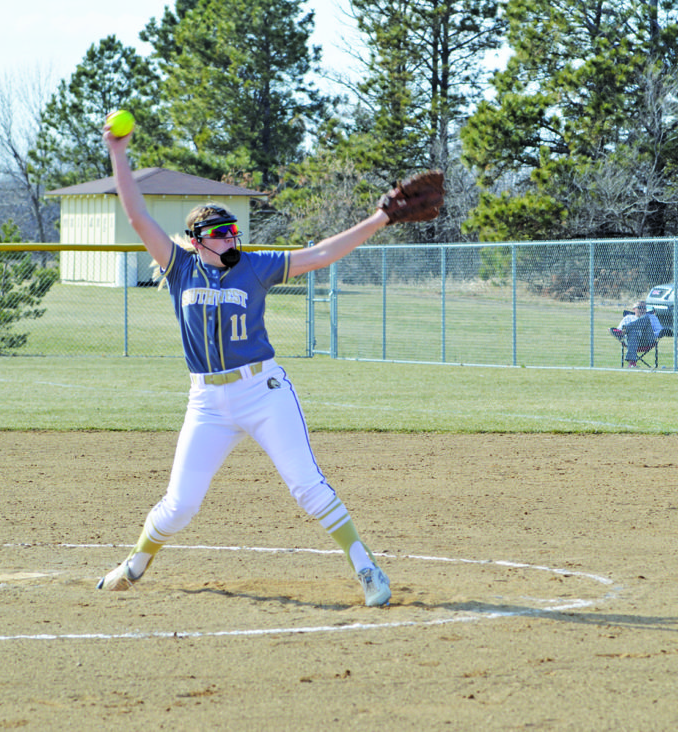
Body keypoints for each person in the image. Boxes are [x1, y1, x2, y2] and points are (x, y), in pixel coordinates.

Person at [94, 125, 440, 606]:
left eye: (232, 231)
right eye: (218, 234)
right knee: (179, 506)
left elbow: (320, 254)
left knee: (307, 486)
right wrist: (118, 152)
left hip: (262, 392)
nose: (229, 239)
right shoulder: (179, 268)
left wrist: (379, 218)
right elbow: (135, 215)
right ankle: (134, 563)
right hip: (208, 402)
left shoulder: (254, 266)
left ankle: (366, 568)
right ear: (196, 241)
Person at [616, 300, 663, 367]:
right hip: (632, 341)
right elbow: (619, 331)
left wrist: (652, 333)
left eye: (644, 308)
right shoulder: (628, 318)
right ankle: (632, 363)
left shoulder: (652, 317)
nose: (642, 310)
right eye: (640, 307)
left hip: (647, 339)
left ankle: (628, 328)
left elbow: (659, 331)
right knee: (634, 332)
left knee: (646, 318)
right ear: (634, 309)